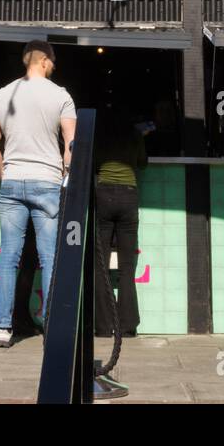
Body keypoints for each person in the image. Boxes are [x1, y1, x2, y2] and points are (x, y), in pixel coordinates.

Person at [0, 39, 76, 349]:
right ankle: (52, 325)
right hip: (47, 182)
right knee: (50, 257)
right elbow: (71, 146)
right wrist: (64, 176)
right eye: (54, 62)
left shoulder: (1, 95)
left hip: (12, 183)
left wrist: (4, 175)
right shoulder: (60, 96)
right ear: (45, 61)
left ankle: (3, 328)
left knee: (8, 255)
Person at [92, 108, 147, 338]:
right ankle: (127, 326)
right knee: (127, 267)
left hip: (104, 194)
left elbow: (93, 164)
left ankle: (103, 327)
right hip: (128, 194)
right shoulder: (134, 134)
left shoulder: (99, 135)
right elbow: (142, 162)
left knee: (100, 265)